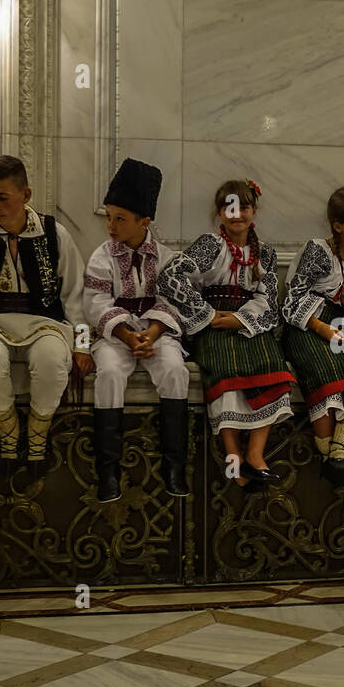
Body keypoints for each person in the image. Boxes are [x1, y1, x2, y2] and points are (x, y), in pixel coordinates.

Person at [0, 155, 91, 479]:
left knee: (52, 361)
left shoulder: (55, 233)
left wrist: (82, 346)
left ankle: (37, 436)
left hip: (47, 324)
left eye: (2, 197)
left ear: (26, 195)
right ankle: (8, 432)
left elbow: (76, 296)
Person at [158, 178, 294, 492]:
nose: (236, 214)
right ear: (220, 213)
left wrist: (240, 319)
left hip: (245, 323)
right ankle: (233, 454)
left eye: (243, 207)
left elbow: (268, 298)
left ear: (254, 211)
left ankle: (255, 455)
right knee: (224, 369)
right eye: (228, 208)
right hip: (212, 323)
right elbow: (171, 276)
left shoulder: (265, 254)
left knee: (273, 364)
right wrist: (208, 316)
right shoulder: (210, 245)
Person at [83, 158, 191, 502]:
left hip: (157, 334)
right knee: (111, 373)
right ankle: (109, 471)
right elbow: (95, 302)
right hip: (117, 337)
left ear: (144, 221)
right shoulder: (102, 257)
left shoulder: (168, 258)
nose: (111, 226)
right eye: (109, 216)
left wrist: (154, 333)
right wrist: (128, 335)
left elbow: (174, 301)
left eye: (120, 218)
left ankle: (175, 467)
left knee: (175, 370)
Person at [282, 187, 344, 486]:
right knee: (325, 374)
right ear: (338, 225)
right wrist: (321, 328)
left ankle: (339, 453)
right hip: (306, 327)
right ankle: (327, 450)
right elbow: (291, 301)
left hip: (341, 326)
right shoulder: (318, 251)